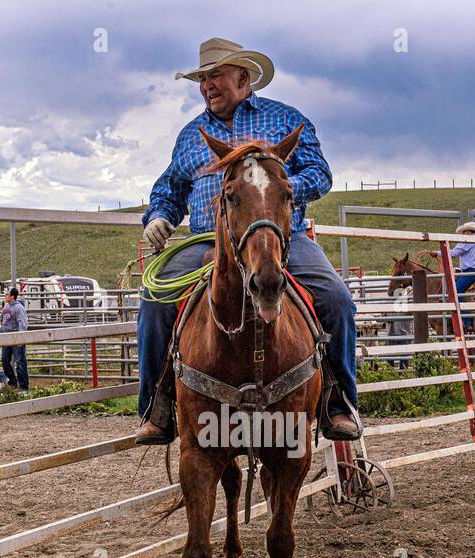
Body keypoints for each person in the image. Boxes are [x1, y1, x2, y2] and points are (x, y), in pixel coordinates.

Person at [134, 37, 359, 444]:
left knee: (336, 298)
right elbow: (169, 189)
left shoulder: (286, 120)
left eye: (215, 76)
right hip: (208, 243)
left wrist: (276, 192)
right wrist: (160, 217)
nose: (207, 86)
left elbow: (320, 173)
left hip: (278, 239)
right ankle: (157, 405)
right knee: (154, 301)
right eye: (203, 79)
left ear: (244, 77)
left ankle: (337, 402)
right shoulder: (191, 135)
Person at [0, 287, 30, 389]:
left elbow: (22, 323)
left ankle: (24, 386)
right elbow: (3, 321)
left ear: (12, 296)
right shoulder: (6, 307)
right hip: (6, 338)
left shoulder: (18, 308)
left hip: (16, 338)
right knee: (4, 361)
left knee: (20, 362)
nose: (5, 296)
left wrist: (21, 339)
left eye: (7, 294)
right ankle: (13, 382)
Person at [449, 221, 475, 297]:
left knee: (455, 290)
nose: (463, 234)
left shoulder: (468, 240)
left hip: (471, 271)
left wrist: (437, 253)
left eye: (463, 232)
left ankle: (462, 309)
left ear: (468, 232)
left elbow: (454, 253)